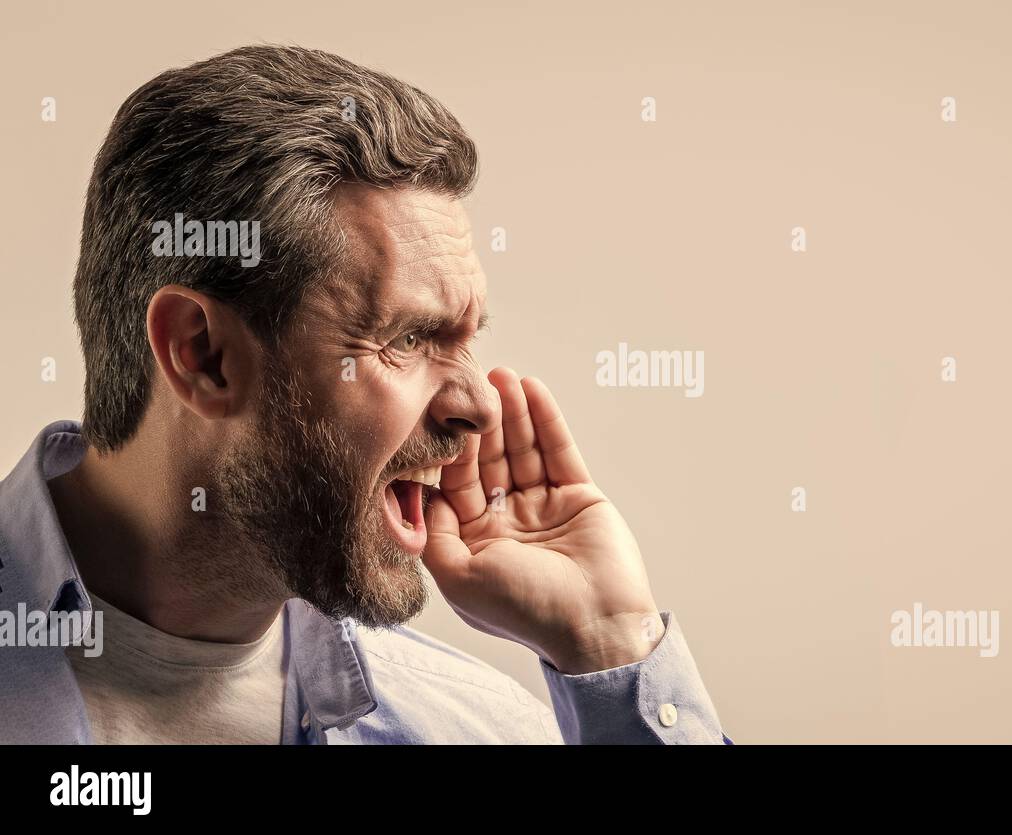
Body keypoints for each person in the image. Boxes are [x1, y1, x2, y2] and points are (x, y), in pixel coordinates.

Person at [0, 45, 727, 745]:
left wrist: (610, 641)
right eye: (408, 338)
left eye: (467, 337)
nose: (478, 405)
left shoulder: (478, 729)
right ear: (203, 355)